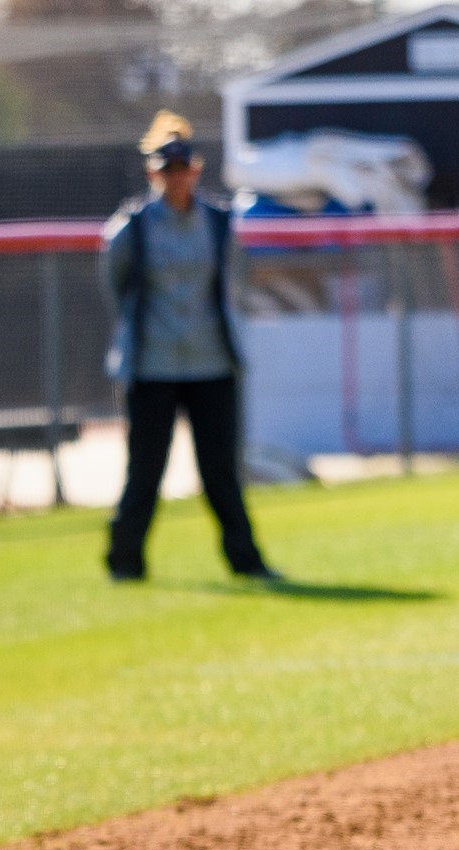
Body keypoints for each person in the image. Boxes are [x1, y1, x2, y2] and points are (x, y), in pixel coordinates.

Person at [101, 113, 278, 584]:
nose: (176, 179)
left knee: (221, 471)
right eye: (167, 170)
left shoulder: (219, 224)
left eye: (183, 169)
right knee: (146, 471)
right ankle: (125, 562)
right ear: (153, 174)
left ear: (195, 171)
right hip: (152, 366)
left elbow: (232, 284)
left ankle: (247, 560)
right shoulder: (132, 229)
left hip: (211, 363)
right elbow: (116, 286)